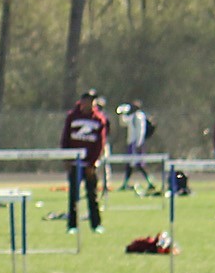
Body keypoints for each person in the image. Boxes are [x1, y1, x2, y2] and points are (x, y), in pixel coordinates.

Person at [62, 91, 108, 234]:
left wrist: (92, 163)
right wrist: (66, 158)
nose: (90, 104)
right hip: (75, 163)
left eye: (92, 101)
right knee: (73, 195)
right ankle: (72, 226)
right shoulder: (72, 117)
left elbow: (100, 143)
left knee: (92, 195)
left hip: (89, 165)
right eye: (88, 100)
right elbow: (65, 138)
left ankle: (96, 225)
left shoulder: (99, 119)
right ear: (82, 101)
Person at [115, 102, 154, 192]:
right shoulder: (133, 116)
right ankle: (126, 183)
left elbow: (141, 131)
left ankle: (150, 182)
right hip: (132, 143)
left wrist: (138, 144)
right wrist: (122, 113)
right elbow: (124, 122)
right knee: (131, 164)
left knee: (137, 164)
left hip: (135, 144)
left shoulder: (139, 116)